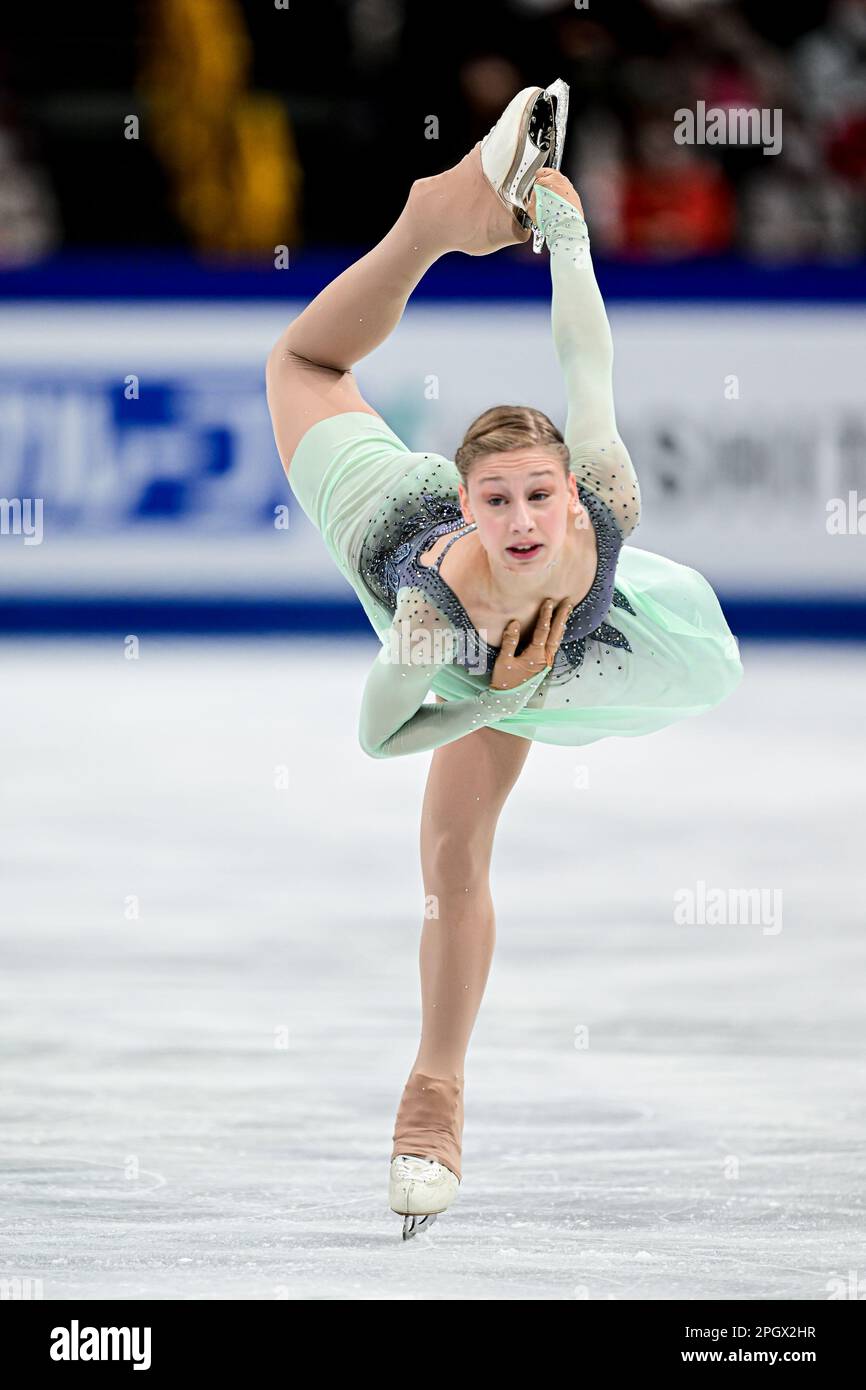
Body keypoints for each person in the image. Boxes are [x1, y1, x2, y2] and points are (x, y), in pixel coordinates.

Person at [265, 83, 743, 1238]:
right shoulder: (430, 604)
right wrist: (485, 690)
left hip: (531, 655)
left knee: (460, 833)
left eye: (540, 493)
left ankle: (443, 216)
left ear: (569, 495)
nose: (526, 517)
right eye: (500, 501)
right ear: (470, 505)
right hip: (391, 528)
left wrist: (566, 236)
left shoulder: (601, 500)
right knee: (298, 364)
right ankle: (434, 1091)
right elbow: (379, 730)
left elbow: (585, 357)